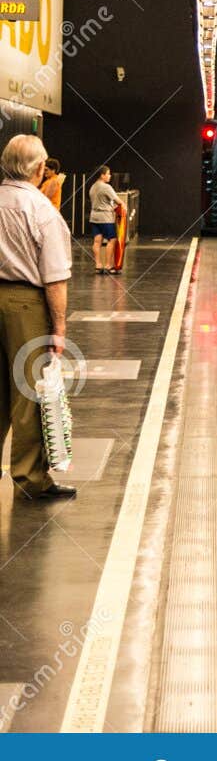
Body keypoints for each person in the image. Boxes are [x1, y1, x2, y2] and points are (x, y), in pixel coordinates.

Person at [0, 135, 75, 500]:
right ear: (40, 168)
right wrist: (59, 327)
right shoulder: (41, 209)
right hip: (25, 304)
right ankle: (30, 479)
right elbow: (55, 275)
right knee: (27, 390)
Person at [88, 166, 118, 274]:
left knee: (97, 241)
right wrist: (122, 205)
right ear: (102, 175)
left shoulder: (92, 187)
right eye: (108, 173)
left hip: (94, 217)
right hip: (105, 218)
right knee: (112, 240)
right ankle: (109, 265)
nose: (110, 176)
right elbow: (118, 201)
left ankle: (98, 265)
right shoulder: (106, 187)